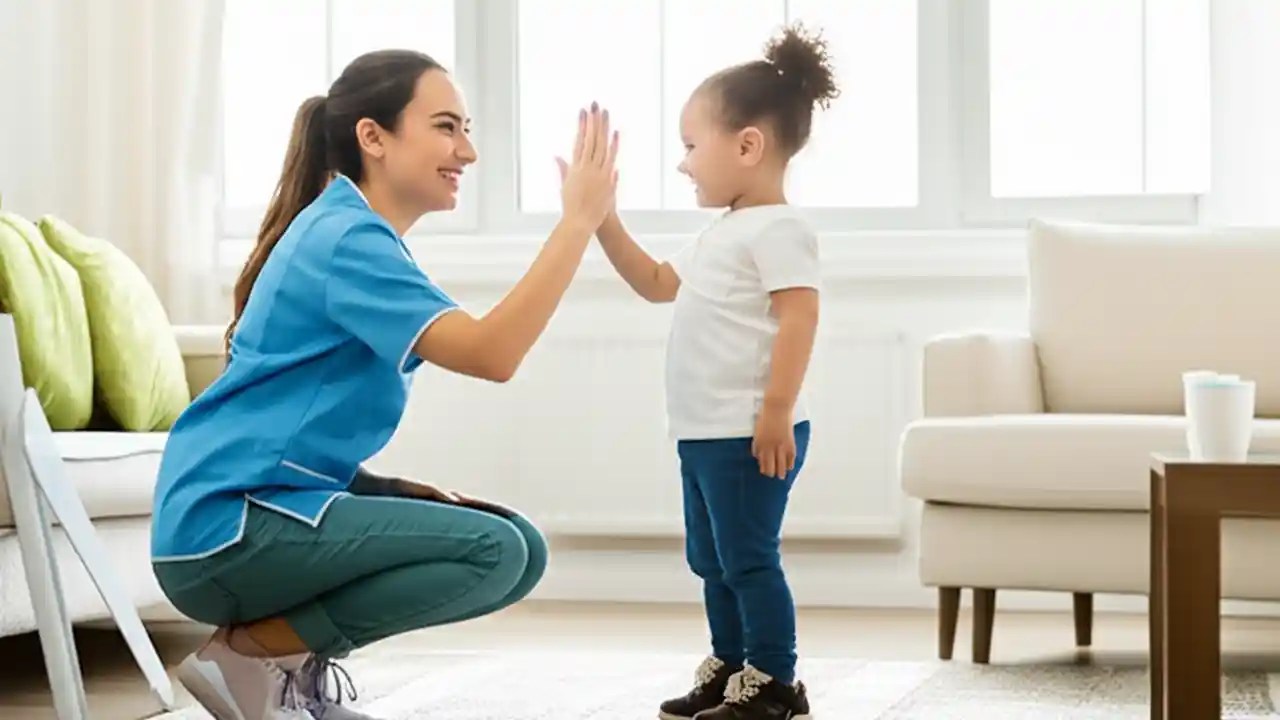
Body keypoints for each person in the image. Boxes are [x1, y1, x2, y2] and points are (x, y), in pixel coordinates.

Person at [150, 49, 618, 720]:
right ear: (373, 137)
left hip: (254, 514)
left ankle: (272, 664)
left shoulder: (357, 235)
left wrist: (380, 491)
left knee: (518, 546)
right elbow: (494, 353)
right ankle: (251, 659)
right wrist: (579, 223)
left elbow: (294, 422)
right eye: (447, 127)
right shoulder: (346, 240)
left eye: (466, 129)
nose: (468, 151)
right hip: (224, 529)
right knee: (495, 551)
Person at [595, 23, 837, 720]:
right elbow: (653, 282)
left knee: (749, 559)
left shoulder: (779, 229)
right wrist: (602, 220)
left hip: (747, 431)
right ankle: (733, 667)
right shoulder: (722, 231)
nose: (684, 165)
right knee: (712, 562)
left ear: (748, 145)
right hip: (704, 433)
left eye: (691, 147)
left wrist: (775, 411)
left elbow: (800, 317)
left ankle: (775, 683)